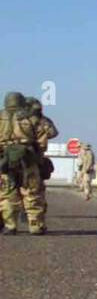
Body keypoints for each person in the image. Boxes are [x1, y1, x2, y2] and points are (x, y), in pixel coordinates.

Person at [0, 92, 46, 235]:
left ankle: (10, 225)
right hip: (28, 159)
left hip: (5, 160)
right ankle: (35, 225)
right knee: (32, 192)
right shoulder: (31, 116)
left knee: (7, 193)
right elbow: (49, 133)